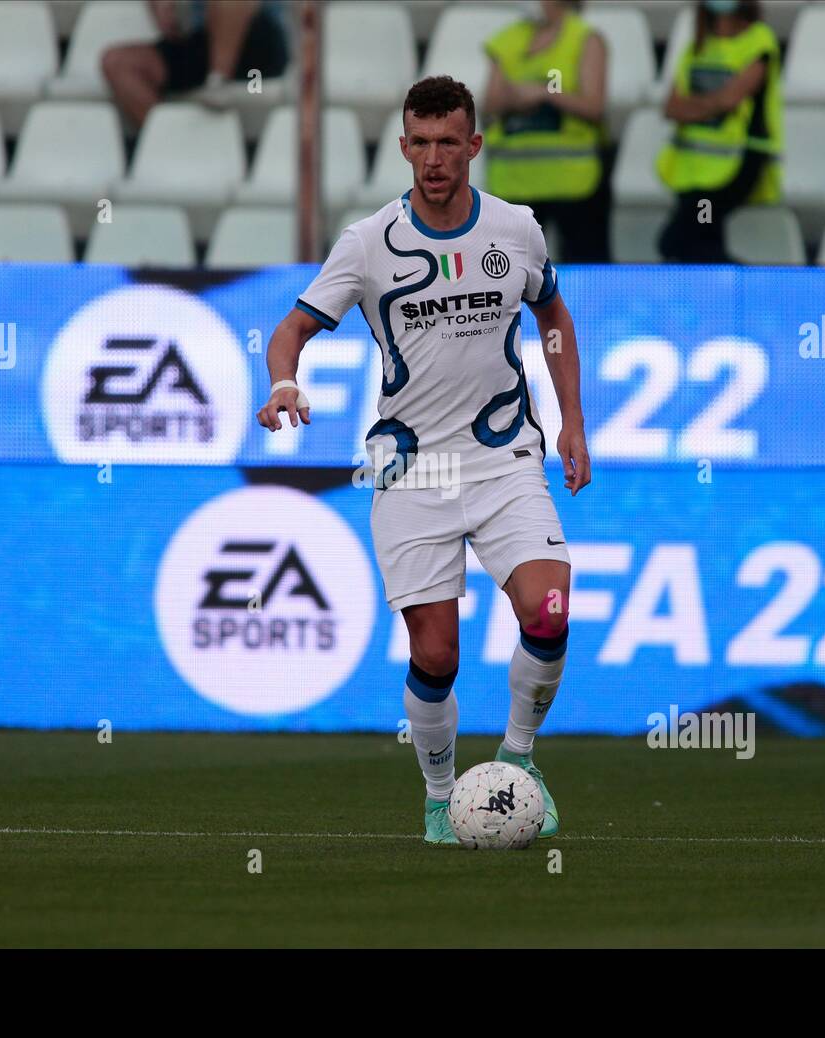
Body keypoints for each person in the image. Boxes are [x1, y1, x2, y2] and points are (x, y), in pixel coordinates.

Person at [256, 76, 591, 845]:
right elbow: (292, 330)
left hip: (505, 456)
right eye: (421, 143)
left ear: (473, 146)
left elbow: (554, 317)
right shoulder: (369, 243)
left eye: (450, 142)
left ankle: (519, 760)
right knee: (435, 653)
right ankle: (442, 796)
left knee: (549, 611)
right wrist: (283, 381)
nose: (435, 158)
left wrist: (573, 422)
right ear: (403, 146)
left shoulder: (515, 230)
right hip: (412, 470)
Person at [482, 0, 611, 263]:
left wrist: (545, 94)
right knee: (512, 272)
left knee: (584, 266)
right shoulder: (507, 39)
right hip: (514, 182)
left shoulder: (585, 38)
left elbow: (594, 106)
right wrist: (515, 100)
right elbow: (490, 105)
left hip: (574, 183)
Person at [656, 0, 783, 263]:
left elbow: (731, 99)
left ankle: (742, 286)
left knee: (674, 241)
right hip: (692, 166)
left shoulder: (759, 40)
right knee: (701, 243)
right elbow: (671, 107)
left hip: (739, 165)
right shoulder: (698, 46)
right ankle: (731, 291)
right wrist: (712, 105)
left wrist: (694, 106)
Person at [101, 0, 288, 127]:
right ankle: (169, 146)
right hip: (204, 40)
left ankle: (218, 80)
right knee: (118, 63)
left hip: (259, 49)